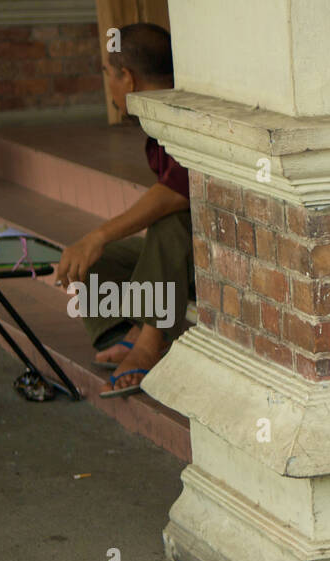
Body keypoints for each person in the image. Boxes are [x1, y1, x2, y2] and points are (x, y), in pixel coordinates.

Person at [54, 22, 192, 399]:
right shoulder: (155, 120)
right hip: (179, 262)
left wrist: (98, 235)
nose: (109, 88)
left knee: (171, 224)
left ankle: (150, 340)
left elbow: (178, 193)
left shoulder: (183, 114)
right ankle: (129, 330)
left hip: (220, 259)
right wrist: (94, 243)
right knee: (95, 262)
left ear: (127, 79)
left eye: (107, 76)